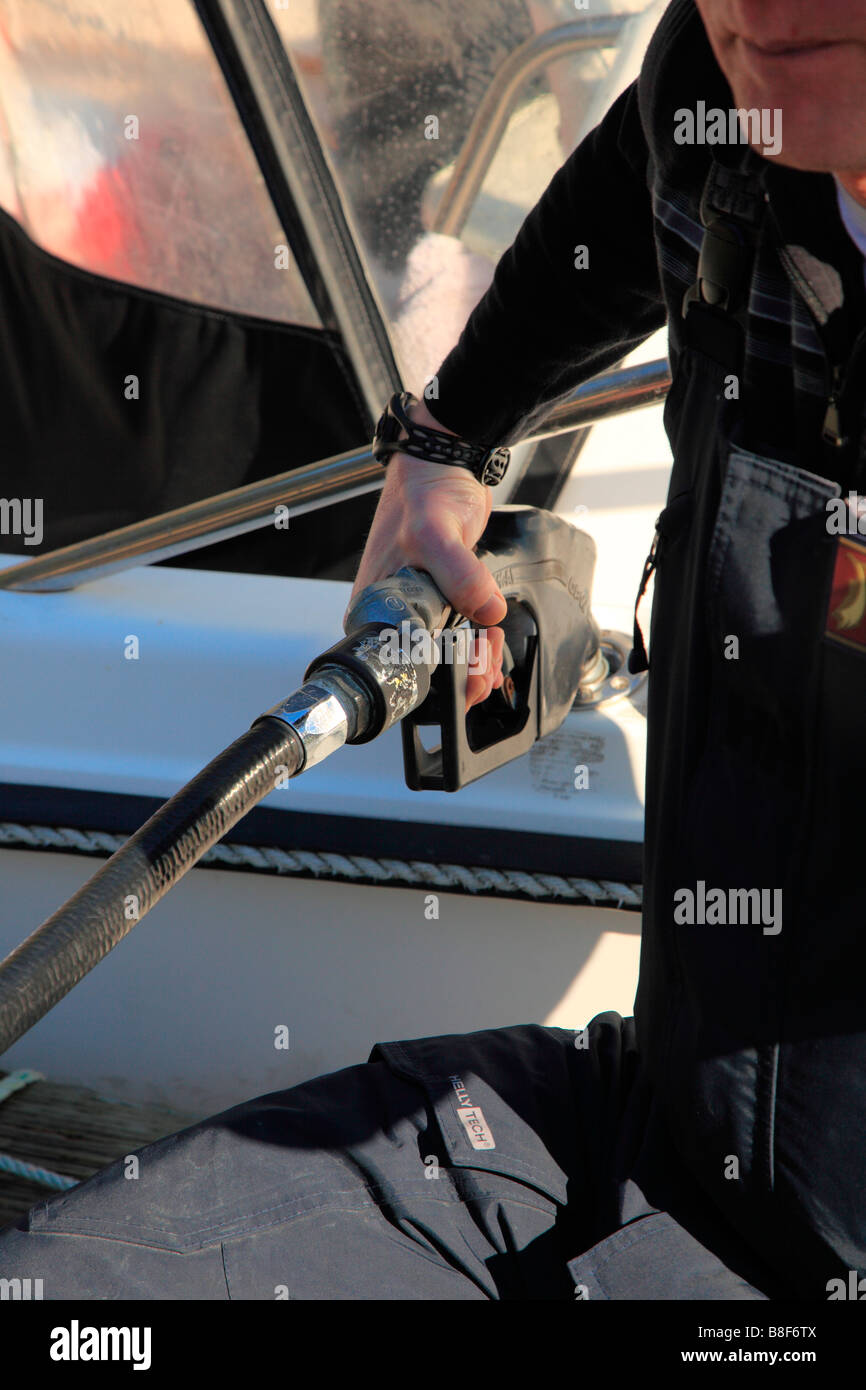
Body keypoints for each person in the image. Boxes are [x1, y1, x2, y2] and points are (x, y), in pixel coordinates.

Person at [2, 0, 865, 1299]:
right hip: (666, 1134)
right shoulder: (724, 106)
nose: (752, 7)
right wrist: (448, 438)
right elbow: (633, 183)